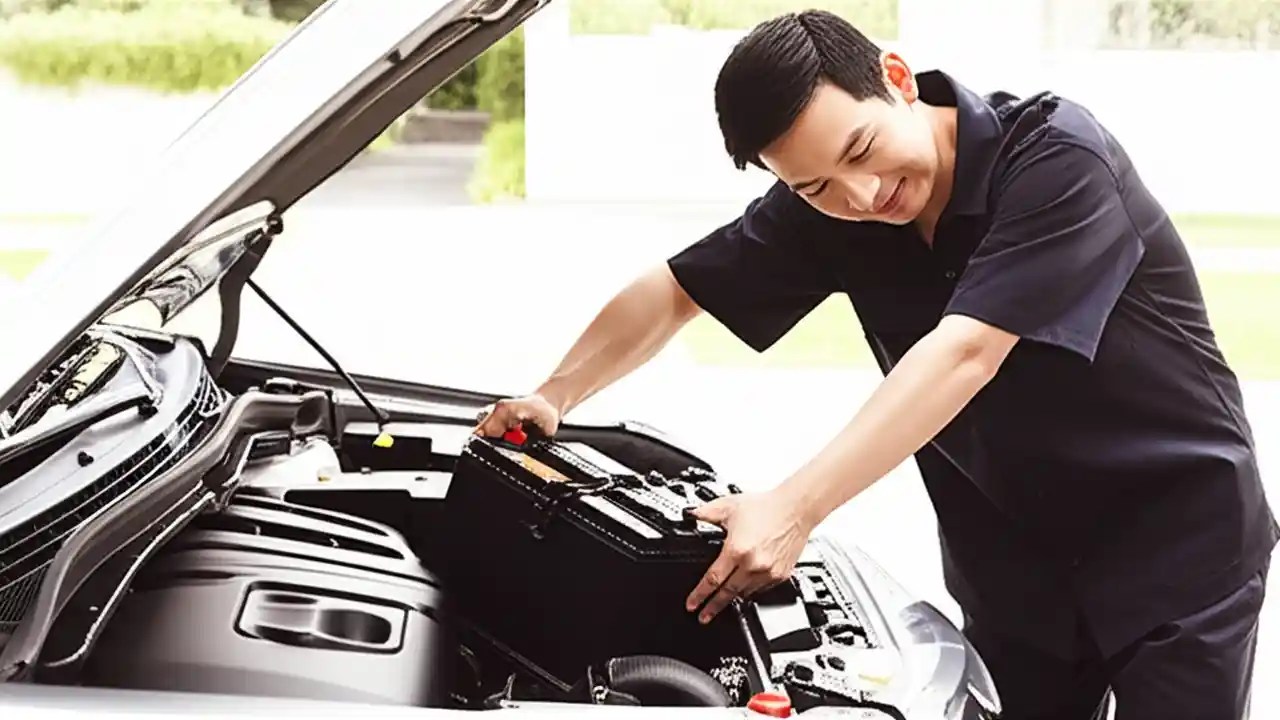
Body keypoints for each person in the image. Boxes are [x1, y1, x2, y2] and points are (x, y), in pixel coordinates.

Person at [472, 9, 1275, 719]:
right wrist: (555, 392)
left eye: (862, 149)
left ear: (896, 78)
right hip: (1014, 569)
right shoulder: (829, 210)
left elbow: (965, 352)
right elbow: (679, 291)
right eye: (817, 185)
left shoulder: (1060, 159)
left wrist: (793, 507)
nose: (860, 195)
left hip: (1173, 549)